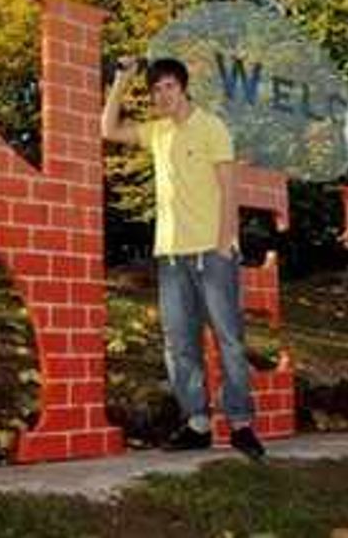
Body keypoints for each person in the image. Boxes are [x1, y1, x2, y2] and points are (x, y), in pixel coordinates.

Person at [101, 56, 265, 461]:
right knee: (179, 345)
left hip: (212, 251)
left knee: (228, 341)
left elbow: (229, 189)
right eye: (156, 90)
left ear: (183, 87)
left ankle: (241, 425)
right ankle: (197, 423)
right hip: (170, 255)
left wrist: (225, 244)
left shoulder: (212, 127)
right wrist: (122, 80)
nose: (162, 95)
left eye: (169, 87)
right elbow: (107, 129)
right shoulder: (156, 132)